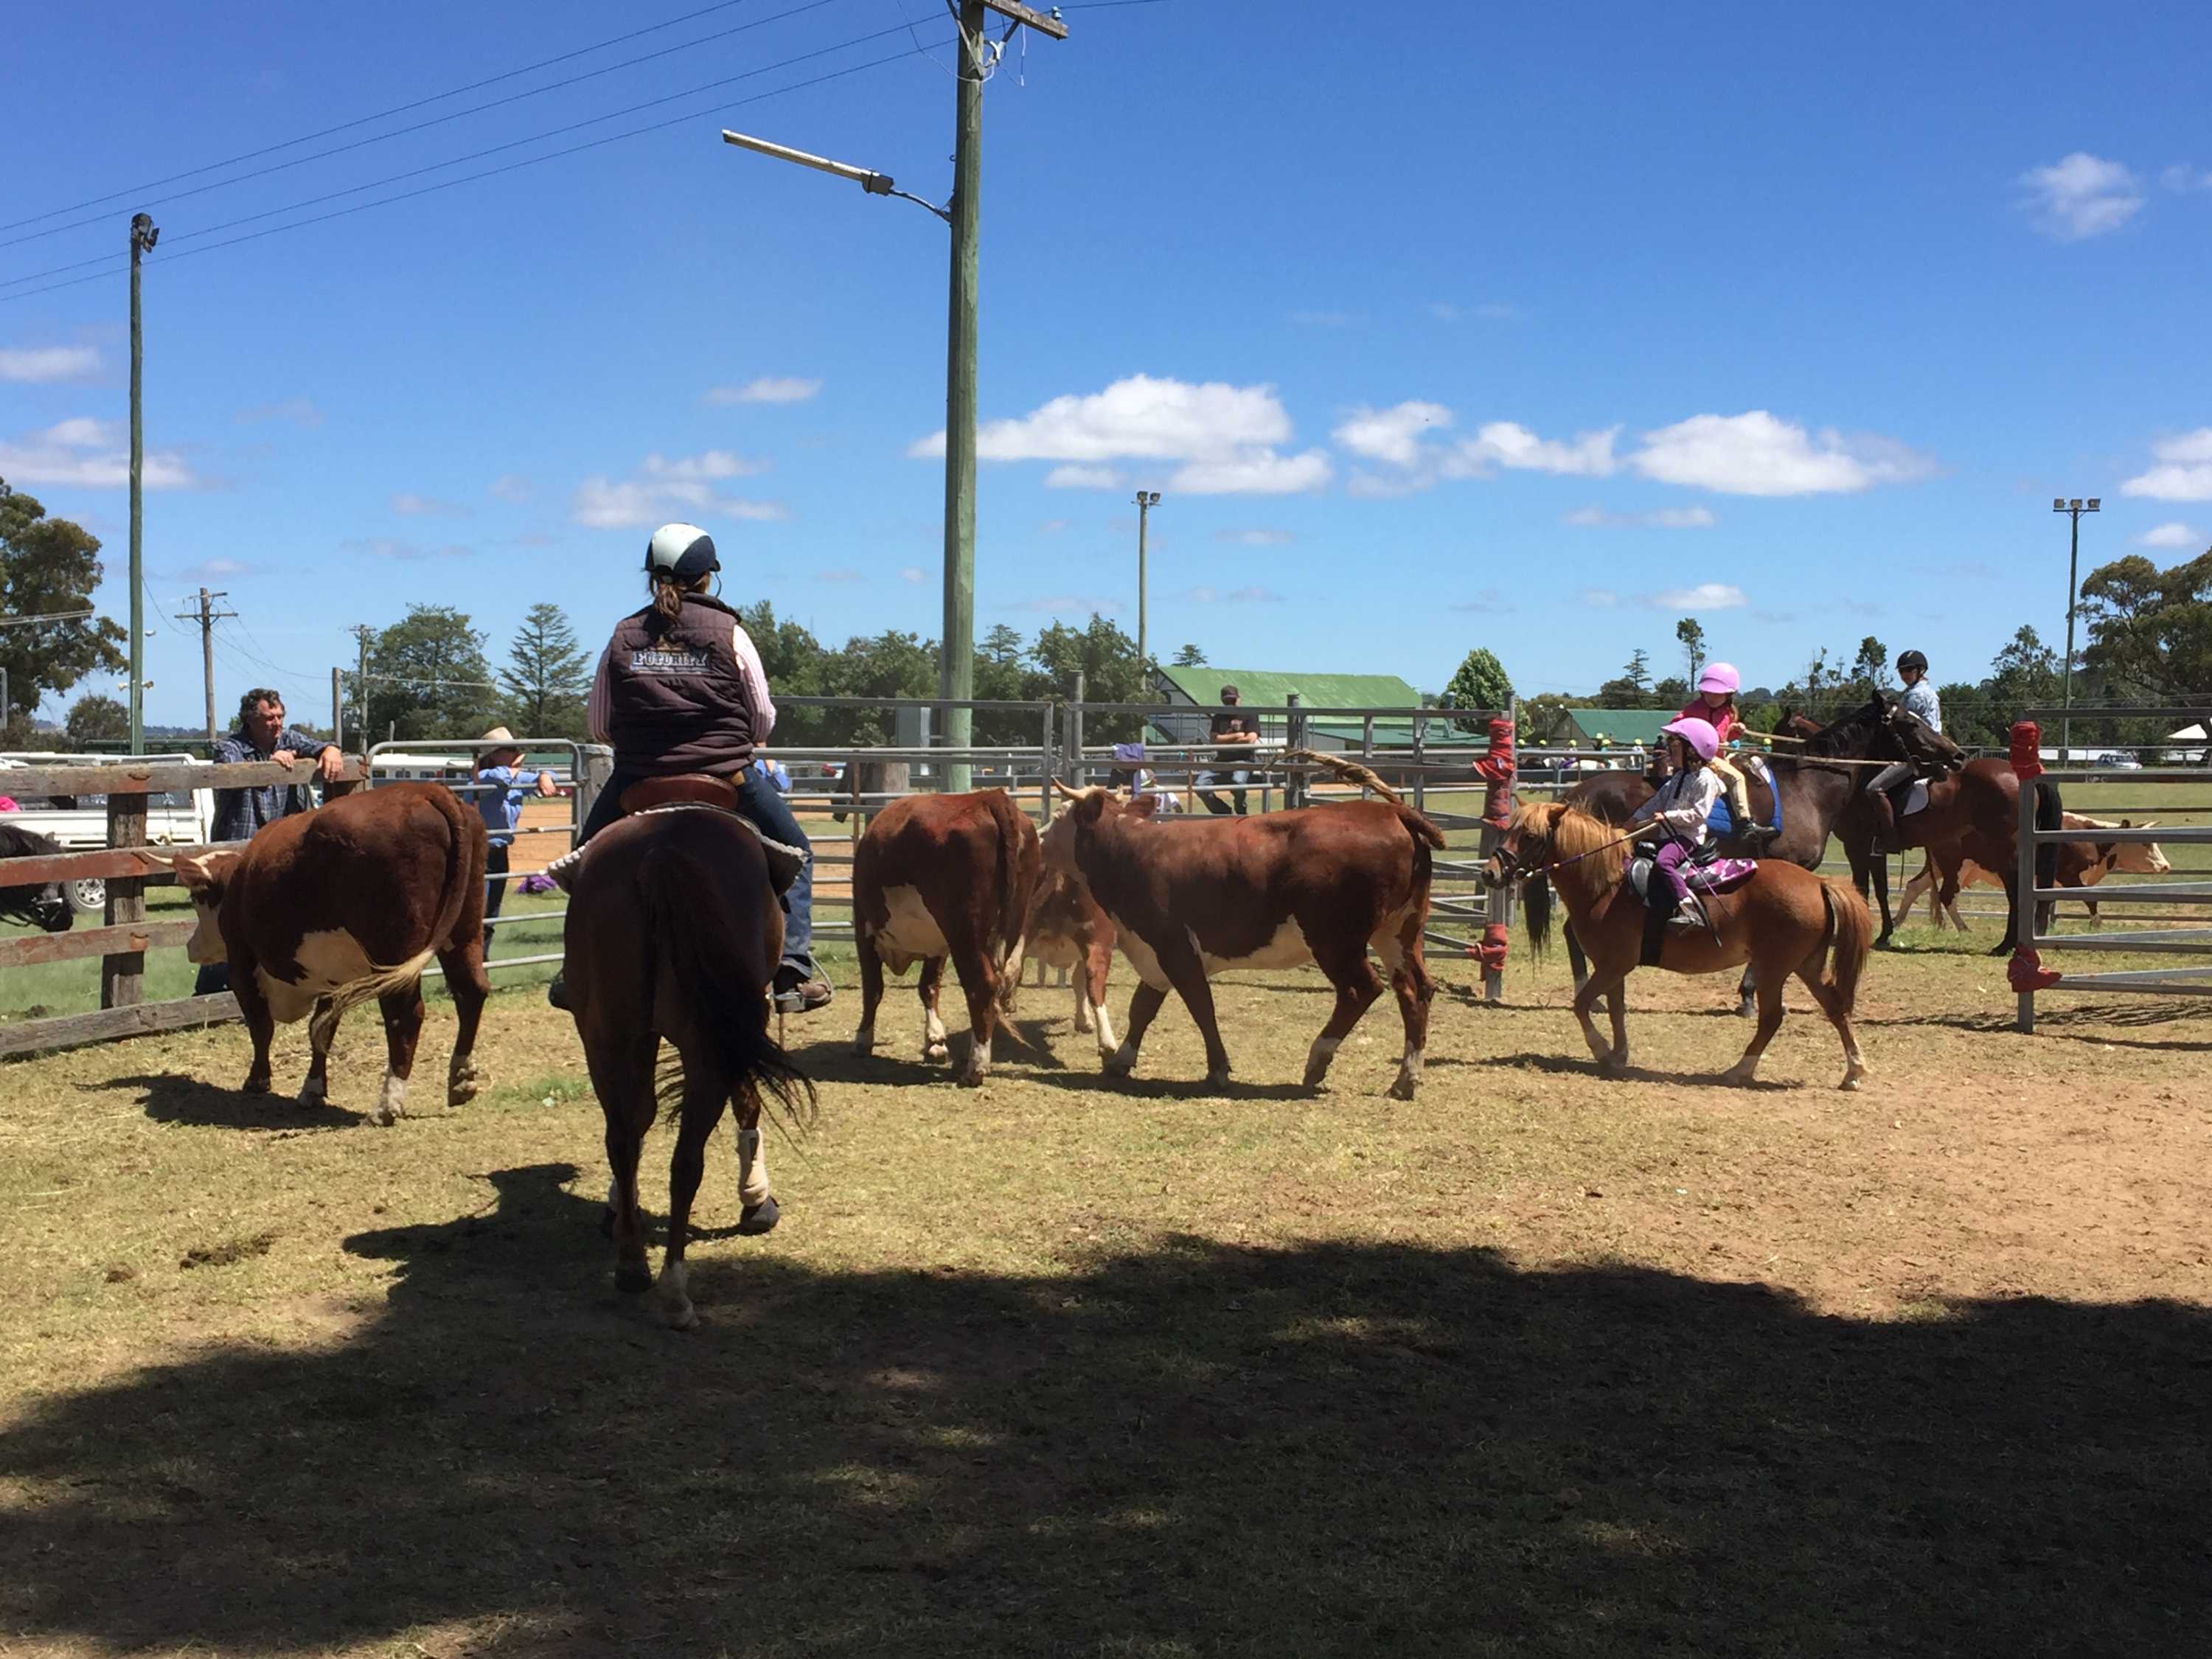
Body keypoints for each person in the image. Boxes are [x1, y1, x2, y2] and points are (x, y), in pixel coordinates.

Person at [549, 522, 830, 1015]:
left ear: (651, 576)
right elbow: (763, 718)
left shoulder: (622, 636)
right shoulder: (731, 635)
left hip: (638, 781)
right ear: (708, 578)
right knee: (799, 853)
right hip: (729, 780)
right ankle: (790, 971)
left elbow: (598, 724)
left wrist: (648, 743)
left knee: (584, 862)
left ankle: (576, 971)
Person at [195, 689, 346, 993]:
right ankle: (211, 992)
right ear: (250, 719)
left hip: (276, 849)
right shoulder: (230, 747)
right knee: (227, 920)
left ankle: (274, 987)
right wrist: (269, 764)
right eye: (269, 718)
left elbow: (321, 746)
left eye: (280, 717)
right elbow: (232, 773)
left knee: (273, 915)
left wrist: (331, 750)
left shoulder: (290, 739)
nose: (276, 724)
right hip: (238, 845)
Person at [1628, 717, 1725, 931]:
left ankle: (1688, 909)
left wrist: (1668, 816)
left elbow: (1699, 815)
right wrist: (1629, 824)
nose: (1669, 750)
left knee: (1664, 863)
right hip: (1668, 835)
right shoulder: (1678, 777)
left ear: (1691, 750)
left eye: (1675, 746)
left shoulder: (1705, 779)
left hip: (1687, 838)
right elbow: (1654, 802)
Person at [472, 727, 559, 955]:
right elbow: (500, 776)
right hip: (478, 851)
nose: (515, 752)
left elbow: (548, 776)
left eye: (514, 749)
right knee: (475, 912)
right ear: (493, 755)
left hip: (499, 851)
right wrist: (516, 769)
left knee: (491, 911)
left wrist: (544, 776)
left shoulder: (514, 775)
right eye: (509, 749)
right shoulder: (482, 777)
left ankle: (483, 963)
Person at [1675, 661, 1773, 849]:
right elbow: (1677, 725)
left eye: (1717, 693)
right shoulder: (1692, 710)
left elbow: (1725, 736)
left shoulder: (1728, 713)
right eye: (1709, 692)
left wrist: (1736, 730)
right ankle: (1745, 824)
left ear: (1728, 695)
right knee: (1737, 778)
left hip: (1720, 756)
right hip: (1702, 760)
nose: (1712, 697)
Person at [1865, 648, 1943, 852]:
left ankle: (1890, 840)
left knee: (1874, 789)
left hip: (1916, 755)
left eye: (1908, 670)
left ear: (1920, 670)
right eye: (1901, 671)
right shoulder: (1913, 693)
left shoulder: (1918, 695)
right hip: (1919, 749)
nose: (1904, 674)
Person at [1195, 684, 1259, 815]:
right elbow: (1213, 740)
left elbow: (1250, 739)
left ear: (1239, 698)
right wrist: (1238, 735)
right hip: (1221, 761)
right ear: (1222, 701)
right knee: (1200, 786)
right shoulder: (1218, 717)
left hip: (1244, 760)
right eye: (1227, 701)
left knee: (1238, 782)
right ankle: (1223, 812)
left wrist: (1224, 738)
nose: (1230, 703)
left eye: (1233, 700)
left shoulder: (1250, 715)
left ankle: (1241, 810)